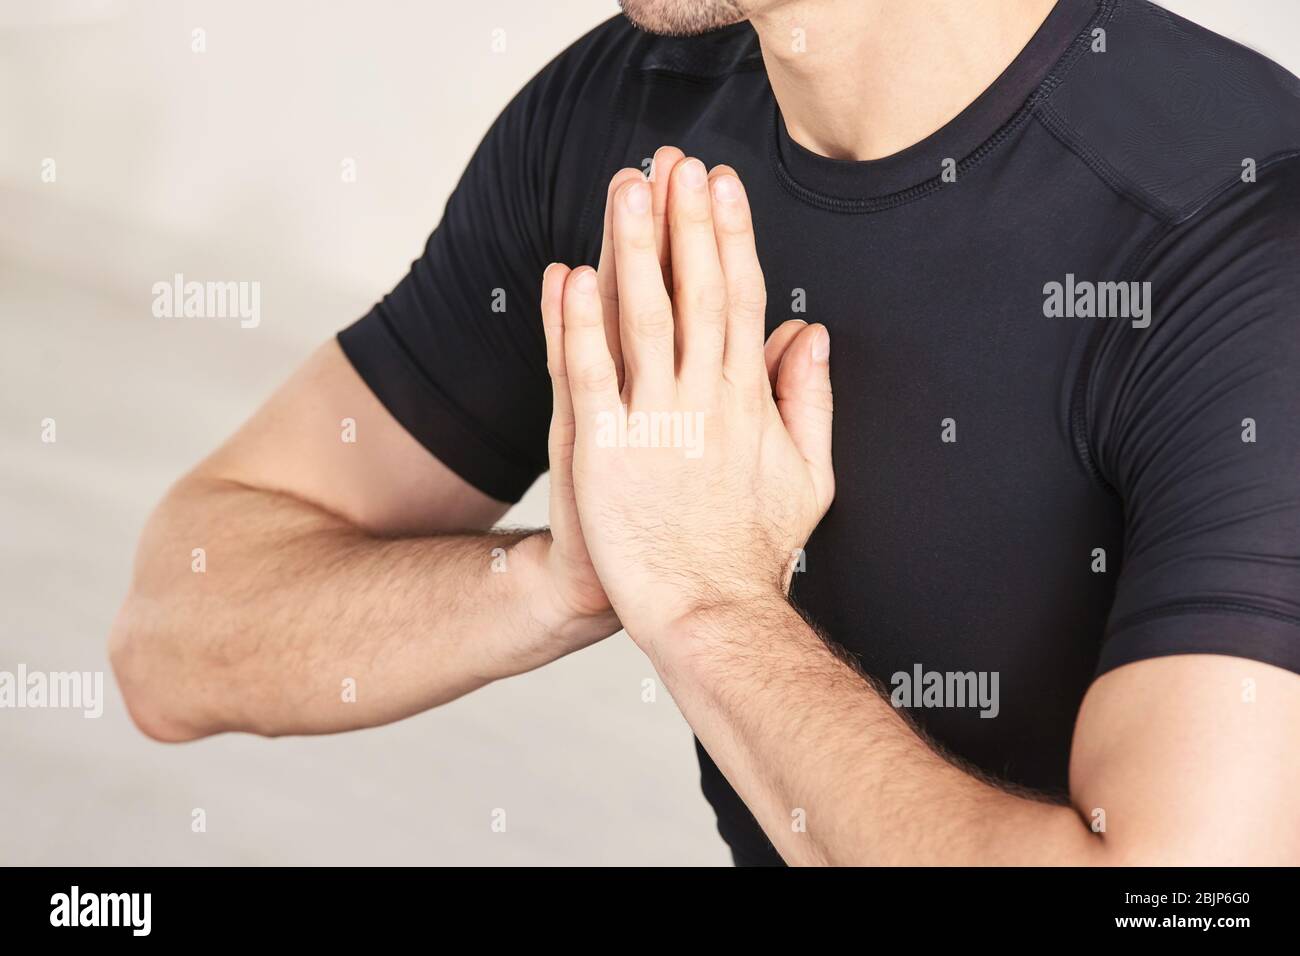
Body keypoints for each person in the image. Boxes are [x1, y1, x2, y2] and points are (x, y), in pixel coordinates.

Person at [110, 0, 1300, 865]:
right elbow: (169, 640)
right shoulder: (623, 116)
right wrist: (562, 579)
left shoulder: (1240, 237)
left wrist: (708, 608)